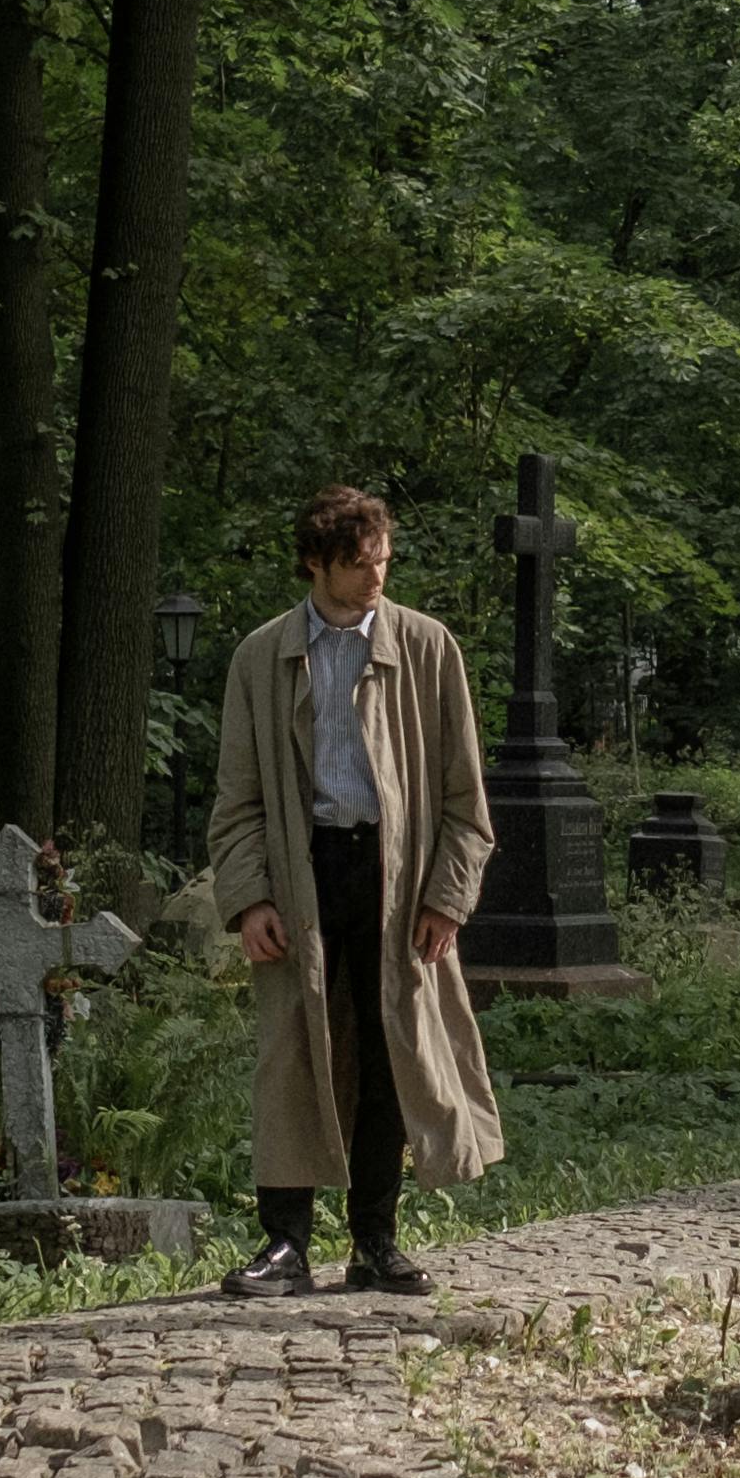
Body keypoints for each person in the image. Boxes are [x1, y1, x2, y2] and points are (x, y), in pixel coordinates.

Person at [204, 484, 505, 1293]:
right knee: (293, 1053)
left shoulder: (427, 647)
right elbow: (235, 802)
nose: (377, 576)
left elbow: (465, 799)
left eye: (383, 560)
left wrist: (447, 897)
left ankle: (374, 1239)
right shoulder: (260, 657)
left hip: (397, 878)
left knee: (389, 1052)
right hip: (300, 875)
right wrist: (250, 898)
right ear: (315, 562)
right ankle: (285, 1245)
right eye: (359, 563)